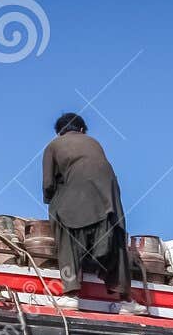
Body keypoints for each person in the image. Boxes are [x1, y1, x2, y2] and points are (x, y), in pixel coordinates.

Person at [41, 112, 133, 307]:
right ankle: (125, 301)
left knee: (62, 222)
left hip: (79, 194)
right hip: (110, 197)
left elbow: (48, 184)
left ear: (59, 133)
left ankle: (71, 293)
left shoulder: (53, 146)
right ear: (82, 130)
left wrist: (50, 200)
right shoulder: (94, 143)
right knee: (116, 239)